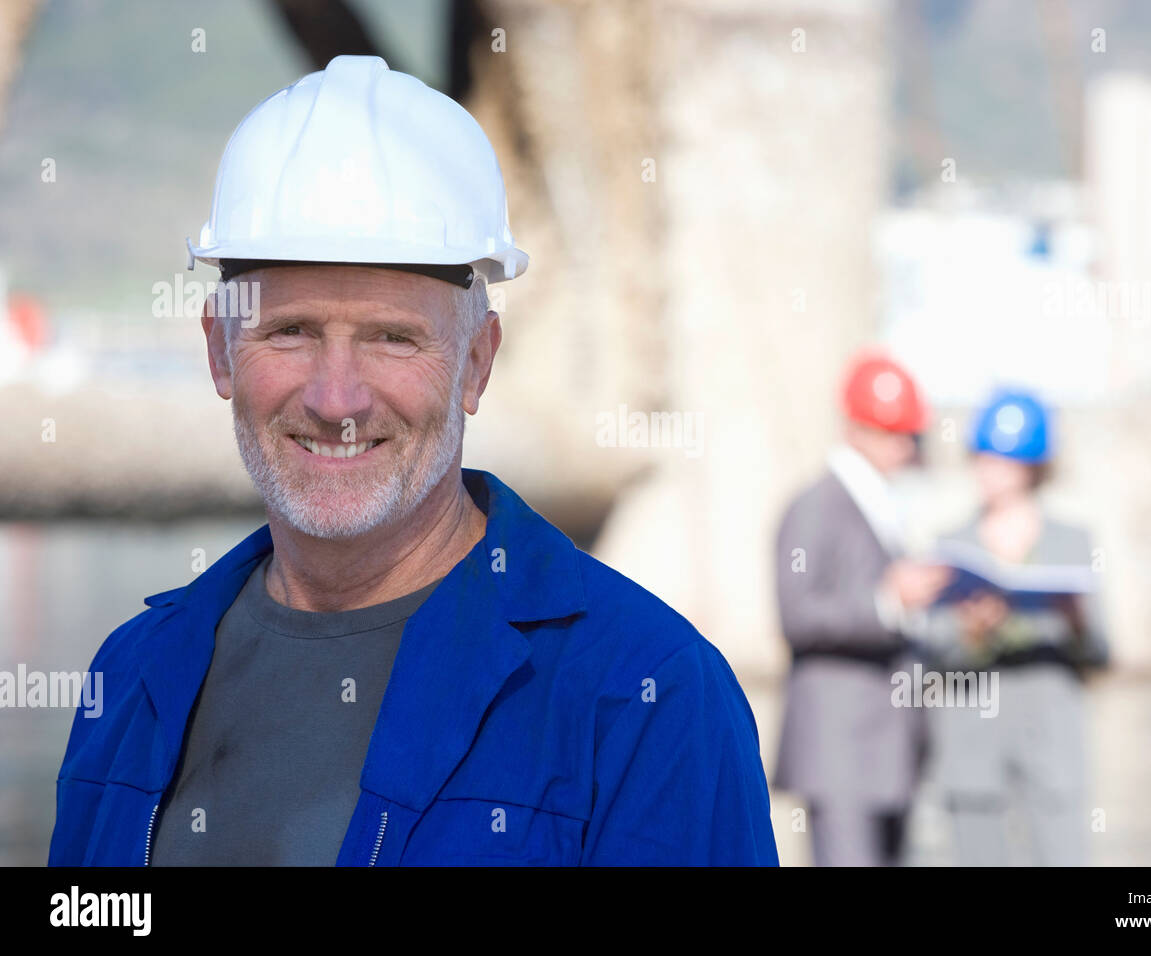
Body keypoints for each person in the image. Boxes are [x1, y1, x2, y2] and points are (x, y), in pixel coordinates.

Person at [48, 56, 778, 867]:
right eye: (289, 331)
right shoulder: (134, 676)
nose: (336, 398)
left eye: (394, 338)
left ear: (476, 362)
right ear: (220, 349)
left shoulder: (644, 697)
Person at [773, 352, 950, 866]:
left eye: (907, 434)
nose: (904, 446)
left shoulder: (887, 506)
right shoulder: (813, 506)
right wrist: (888, 604)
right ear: (856, 428)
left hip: (889, 749)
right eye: (891, 432)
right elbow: (797, 615)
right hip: (841, 751)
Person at [923, 388, 1108, 866]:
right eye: (982, 458)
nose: (988, 471)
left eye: (1003, 461)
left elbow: (1103, 652)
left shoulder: (1073, 543)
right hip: (973, 748)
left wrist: (1076, 622)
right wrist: (971, 631)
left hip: (1052, 742)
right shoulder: (950, 544)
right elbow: (931, 653)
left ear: (1033, 468)